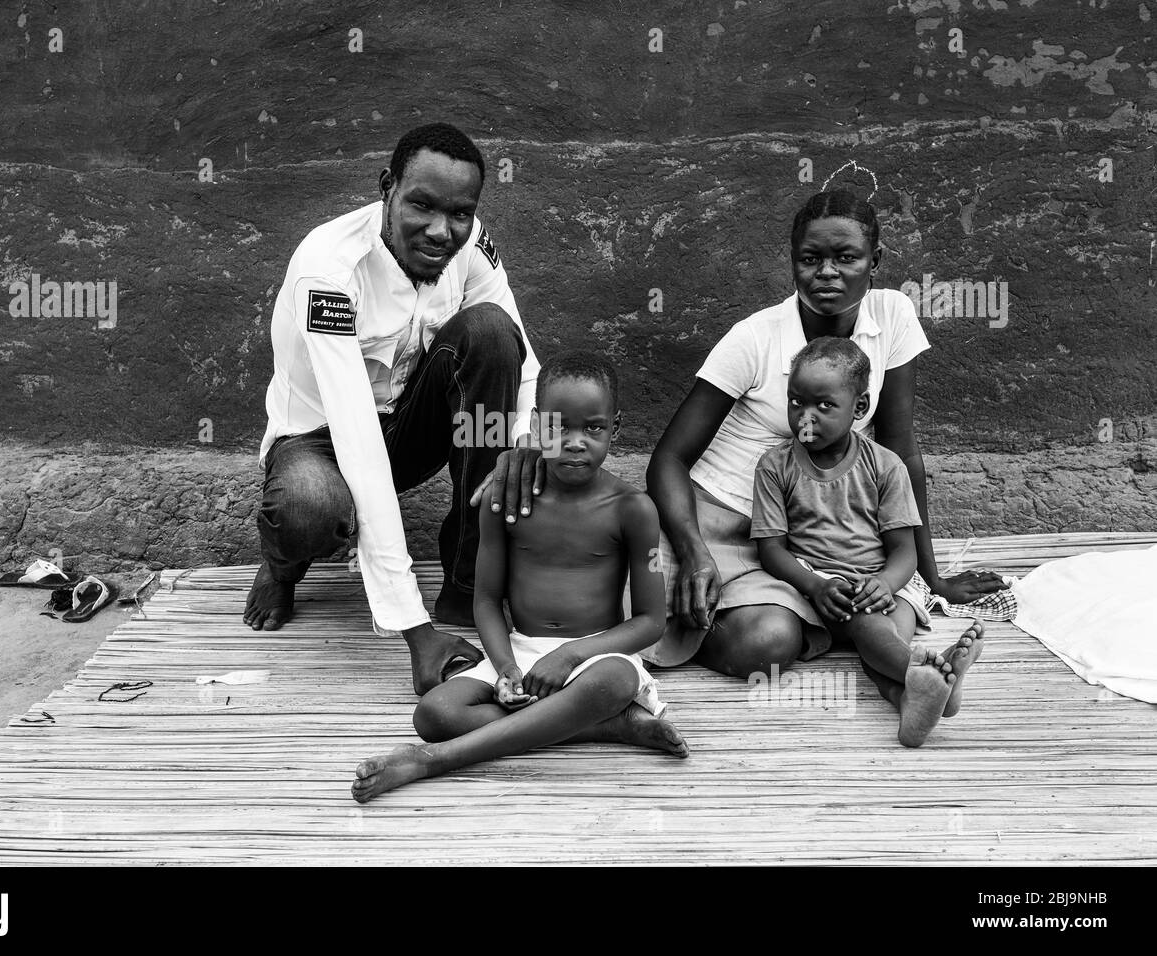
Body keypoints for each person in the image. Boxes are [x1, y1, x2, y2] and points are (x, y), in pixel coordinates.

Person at [643, 187, 1005, 677]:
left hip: (814, 533)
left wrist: (930, 576)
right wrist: (693, 553)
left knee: (850, 610)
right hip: (720, 521)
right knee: (768, 644)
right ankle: (705, 620)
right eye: (811, 259)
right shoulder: (755, 337)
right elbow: (669, 459)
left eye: (846, 257)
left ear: (875, 261)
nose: (827, 273)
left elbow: (901, 447)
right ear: (792, 262)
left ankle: (901, 674)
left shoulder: (892, 314)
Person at [246, 123, 541, 696]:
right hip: (322, 438)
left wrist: (524, 441)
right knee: (310, 505)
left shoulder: (470, 242)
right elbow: (354, 433)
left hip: (407, 428)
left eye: (459, 212)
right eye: (422, 206)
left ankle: (465, 580)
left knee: (489, 332)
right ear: (387, 188)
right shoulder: (328, 271)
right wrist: (414, 629)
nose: (441, 231)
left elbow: (520, 356)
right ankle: (283, 567)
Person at [352, 352, 688, 803]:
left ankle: (431, 760)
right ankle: (607, 726)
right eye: (557, 427)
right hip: (521, 651)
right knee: (435, 713)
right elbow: (487, 601)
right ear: (534, 423)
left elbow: (651, 622)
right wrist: (507, 667)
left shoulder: (634, 509)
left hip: (594, 654)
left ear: (616, 429)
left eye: (593, 428)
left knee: (613, 682)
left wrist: (570, 656)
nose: (574, 442)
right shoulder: (505, 499)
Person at [751, 336, 983, 747]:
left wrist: (886, 583)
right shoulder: (775, 466)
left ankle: (912, 699)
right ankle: (932, 671)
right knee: (872, 627)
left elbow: (903, 551)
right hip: (822, 586)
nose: (806, 418)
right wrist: (815, 585)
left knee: (884, 638)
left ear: (859, 408)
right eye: (795, 403)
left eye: (824, 406)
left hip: (887, 583)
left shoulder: (885, 465)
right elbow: (771, 549)